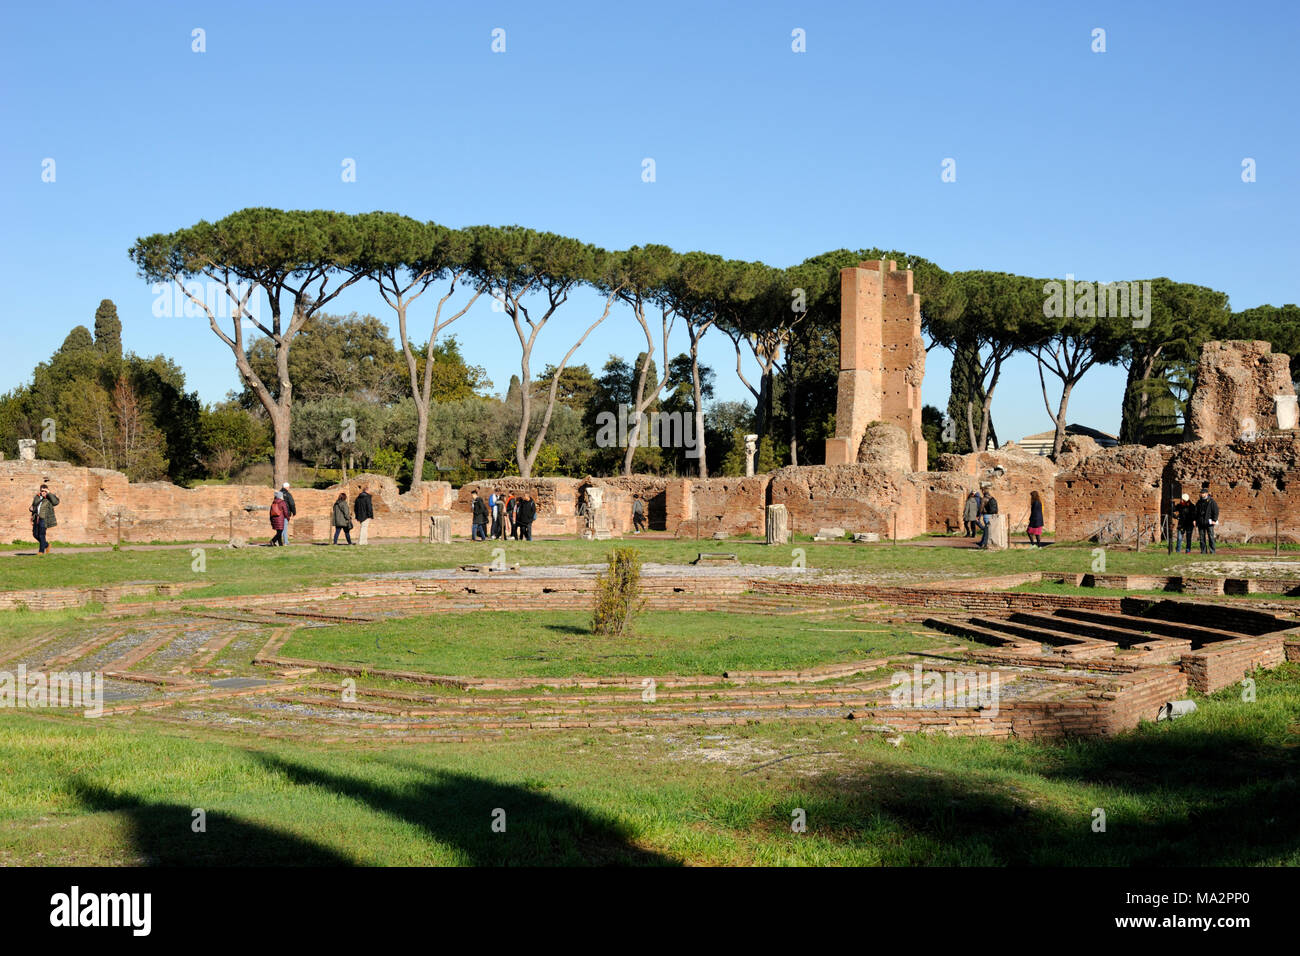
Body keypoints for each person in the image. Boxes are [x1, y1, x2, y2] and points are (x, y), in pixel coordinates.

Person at [30, 483, 59, 555]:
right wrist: (30, 509)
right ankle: (46, 545)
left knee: (41, 535)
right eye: (42, 491)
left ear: (47, 491)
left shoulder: (50, 498)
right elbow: (33, 506)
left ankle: (41, 551)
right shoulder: (37, 497)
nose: (43, 492)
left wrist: (49, 493)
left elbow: (55, 502)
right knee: (35, 534)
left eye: (44, 491)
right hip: (36, 518)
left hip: (44, 519)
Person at [1196, 484, 1219, 554]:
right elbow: (1196, 512)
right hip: (1201, 522)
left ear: (1206, 494)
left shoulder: (1212, 502)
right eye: (1201, 493)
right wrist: (1195, 520)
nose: (1201, 494)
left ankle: (1212, 551)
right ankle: (1203, 551)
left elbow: (1216, 511)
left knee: (1211, 537)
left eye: (1203, 493)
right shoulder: (1199, 502)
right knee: (1202, 538)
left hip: (1209, 522)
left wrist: (1214, 520)